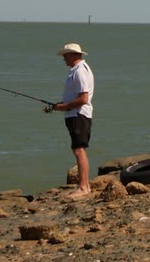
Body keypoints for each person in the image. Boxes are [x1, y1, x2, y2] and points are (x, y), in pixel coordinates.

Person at [52, 43, 95, 199]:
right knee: (79, 149)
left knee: (79, 149)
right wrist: (60, 106)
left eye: (65, 55)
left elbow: (83, 98)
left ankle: (84, 188)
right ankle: (85, 186)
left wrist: (64, 106)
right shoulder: (79, 70)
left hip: (78, 114)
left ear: (72, 55)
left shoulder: (80, 72)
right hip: (76, 114)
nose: (63, 58)